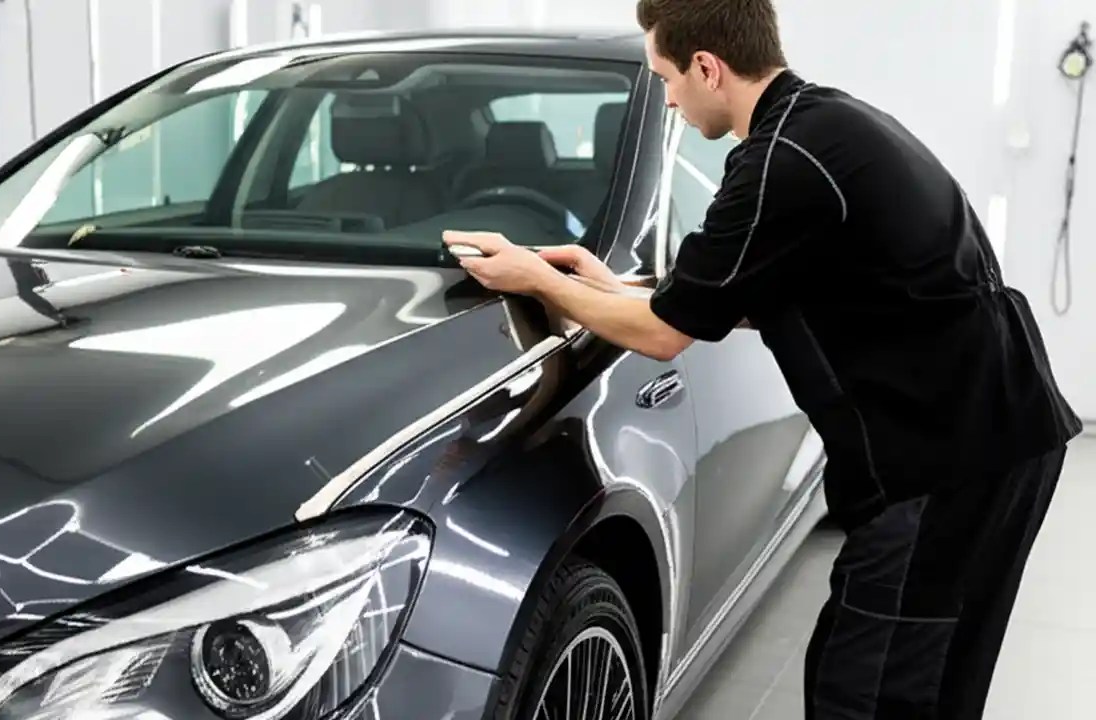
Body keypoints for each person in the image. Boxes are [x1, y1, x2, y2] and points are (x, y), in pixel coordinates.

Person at [442, 0, 1083, 717]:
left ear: (708, 67)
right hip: (991, 431)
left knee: (872, 693)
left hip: (949, 461)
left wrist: (536, 280)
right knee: (910, 675)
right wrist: (605, 283)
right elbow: (750, 290)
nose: (671, 99)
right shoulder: (820, 125)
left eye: (667, 78)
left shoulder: (780, 163)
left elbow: (665, 333)